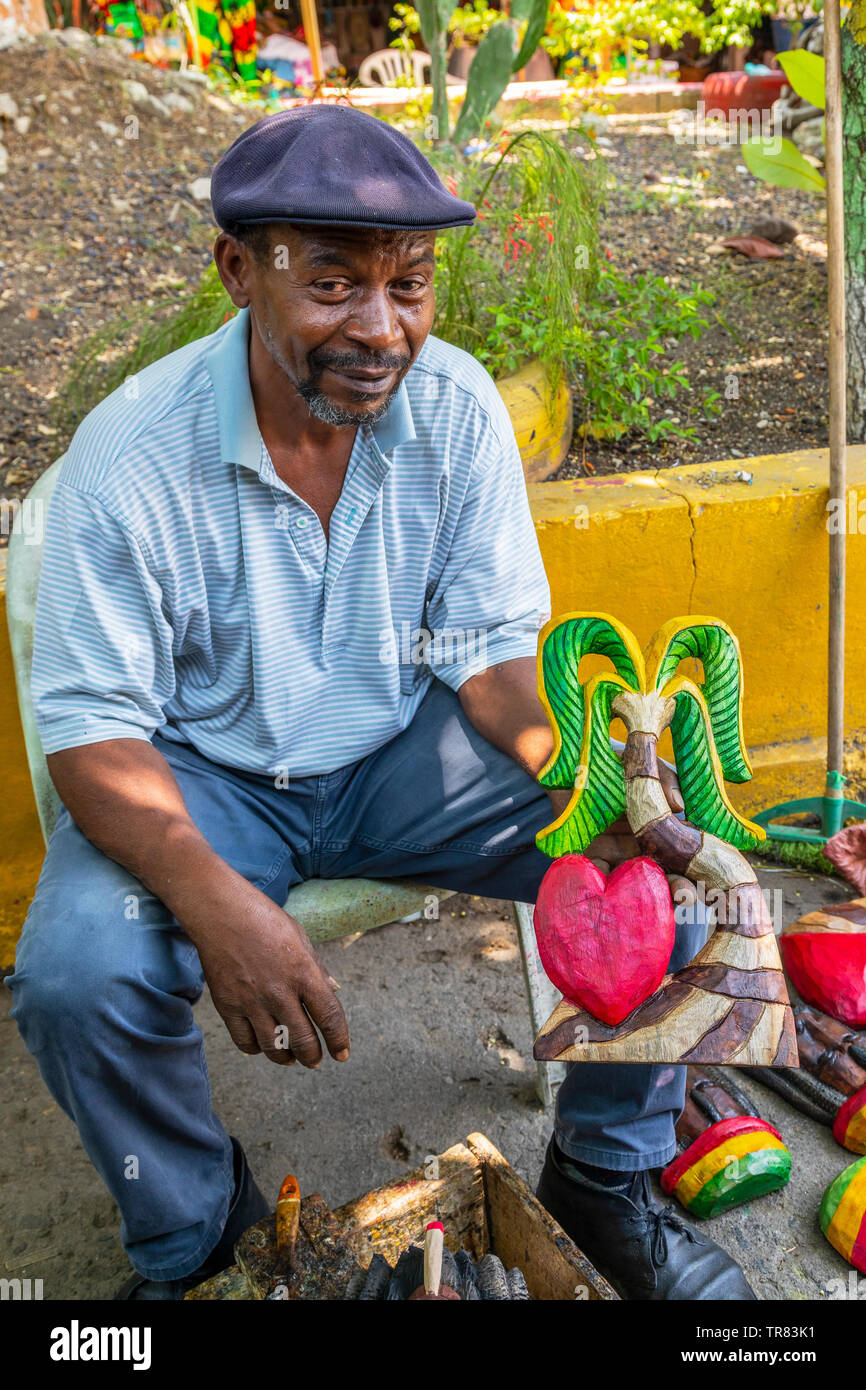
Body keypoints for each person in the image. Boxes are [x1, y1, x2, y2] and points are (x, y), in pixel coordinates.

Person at [7, 106, 754, 1301]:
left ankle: (601, 1181)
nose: (380, 326)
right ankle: (195, 1238)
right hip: (202, 776)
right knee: (77, 975)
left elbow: (489, 658)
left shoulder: (451, 410)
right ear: (238, 270)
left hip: (405, 751)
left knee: (663, 871)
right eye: (335, 283)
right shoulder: (129, 461)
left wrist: (590, 785)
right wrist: (222, 910)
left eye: (409, 286)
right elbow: (94, 737)